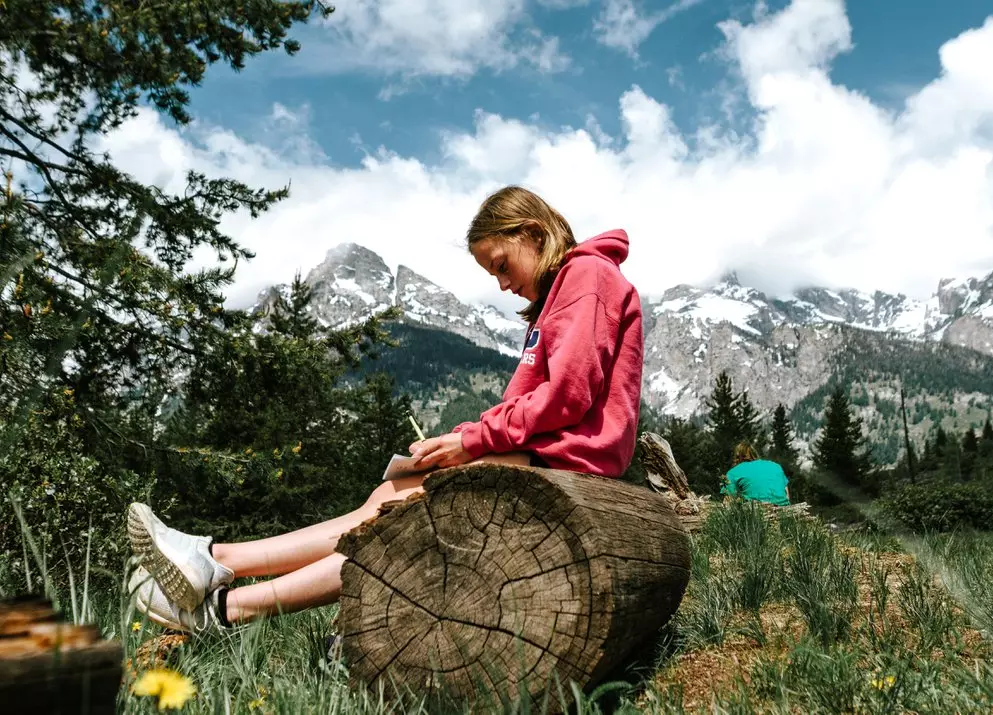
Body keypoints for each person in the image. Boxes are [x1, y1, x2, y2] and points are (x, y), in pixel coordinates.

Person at [128, 185, 645, 632]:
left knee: (394, 517)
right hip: (552, 452)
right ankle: (218, 563)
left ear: (533, 232)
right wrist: (462, 439)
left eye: (502, 266)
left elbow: (568, 395)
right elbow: (543, 400)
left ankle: (225, 604)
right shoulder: (571, 286)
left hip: (570, 459)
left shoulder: (587, 276)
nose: (503, 284)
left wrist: (470, 440)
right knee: (387, 495)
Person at [720, 442, 791, 507]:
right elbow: (787, 495)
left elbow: (728, 502)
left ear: (738, 458)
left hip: (759, 512)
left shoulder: (733, 473)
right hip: (786, 509)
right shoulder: (776, 466)